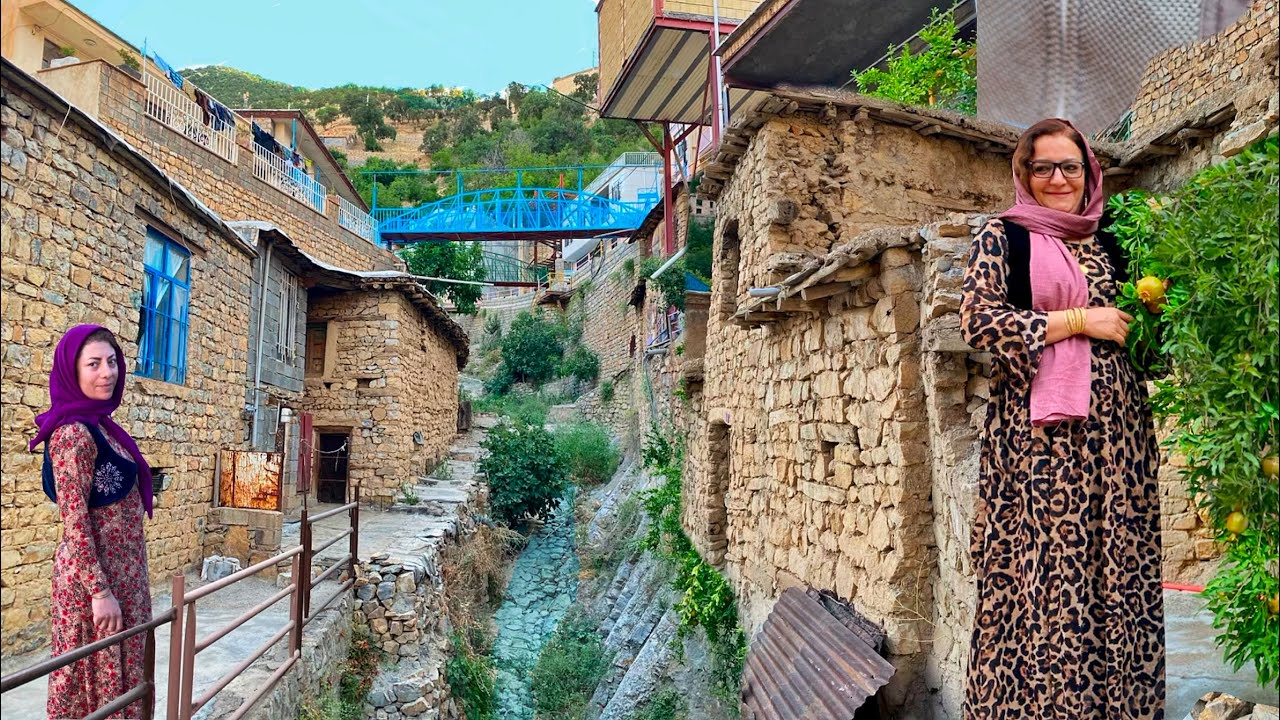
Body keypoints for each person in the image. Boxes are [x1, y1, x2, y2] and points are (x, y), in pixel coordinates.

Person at [960, 119, 1164, 718]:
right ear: (1024, 174)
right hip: (1040, 445)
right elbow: (978, 321)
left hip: (1120, 440)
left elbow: (1146, 335)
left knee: (1119, 571)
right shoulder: (1005, 237)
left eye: (1069, 167)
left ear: (1088, 173)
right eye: (1043, 167)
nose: (1057, 179)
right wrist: (1079, 321)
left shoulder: (1112, 242)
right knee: (1050, 578)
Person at [30, 325, 155, 720]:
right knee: (94, 684)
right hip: (94, 588)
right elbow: (75, 522)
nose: (108, 372)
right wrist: (100, 592)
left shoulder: (101, 426)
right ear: (72, 371)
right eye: (94, 364)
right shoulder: (72, 435)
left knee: (123, 680)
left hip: (122, 578)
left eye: (113, 361)